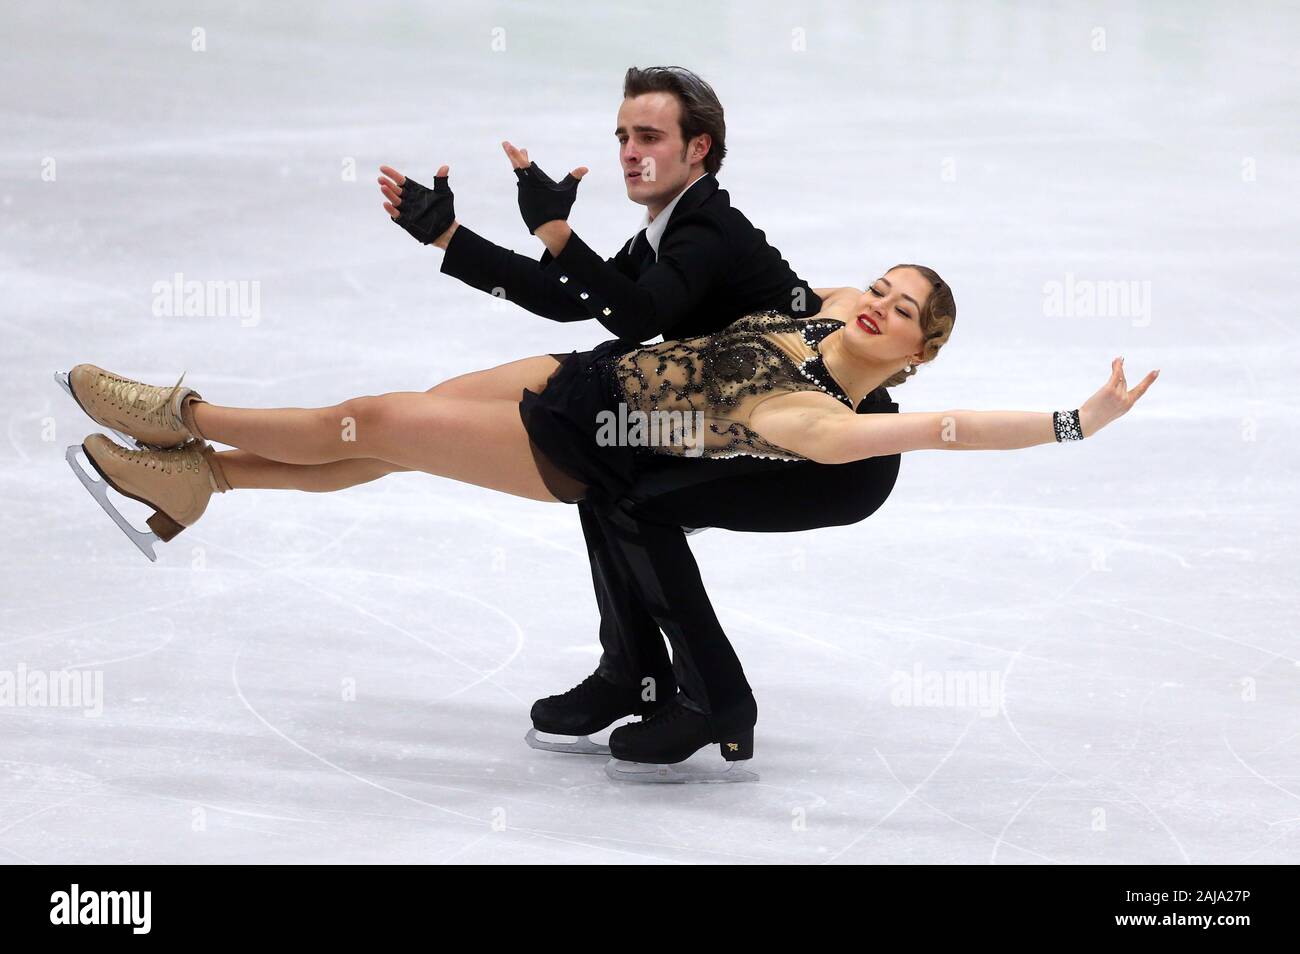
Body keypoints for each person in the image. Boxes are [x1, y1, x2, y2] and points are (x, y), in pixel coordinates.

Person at [58, 266, 1159, 773]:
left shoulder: (824, 422)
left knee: (370, 420)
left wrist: (1076, 419)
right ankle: (206, 485)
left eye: (906, 311)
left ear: (917, 352)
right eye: (885, 281)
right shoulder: (821, 307)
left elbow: (954, 429)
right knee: (395, 430)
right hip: (584, 372)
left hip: (583, 445)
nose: (880, 298)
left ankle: (180, 419)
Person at [377, 66, 908, 766]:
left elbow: (636, 315)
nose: (630, 151)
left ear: (699, 149)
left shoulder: (708, 233)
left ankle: (714, 699)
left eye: (649, 136)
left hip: (831, 455)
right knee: (606, 475)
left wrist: (560, 233)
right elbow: (573, 299)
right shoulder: (671, 228)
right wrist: (448, 235)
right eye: (623, 135)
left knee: (634, 497)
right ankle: (635, 675)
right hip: (756, 428)